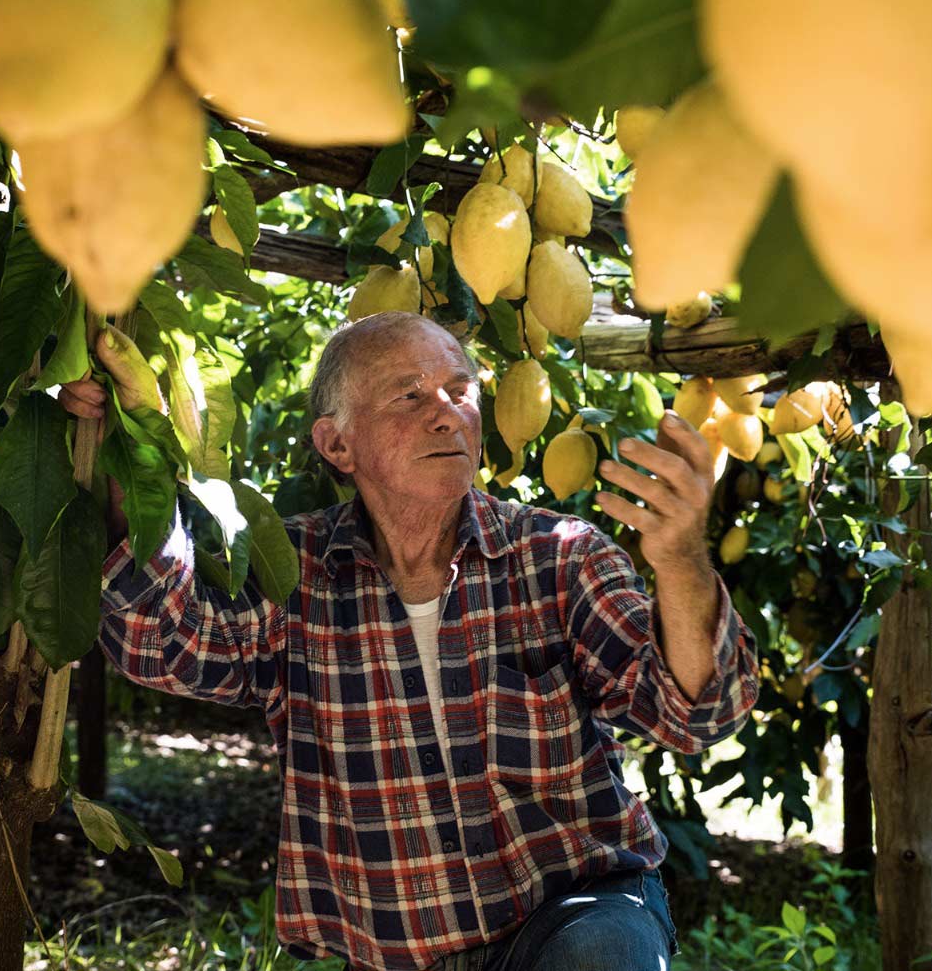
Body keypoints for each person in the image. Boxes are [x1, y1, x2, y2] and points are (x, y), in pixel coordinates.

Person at [58, 311, 759, 971]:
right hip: (400, 950)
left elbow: (695, 716)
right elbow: (164, 641)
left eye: (460, 390)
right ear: (337, 444)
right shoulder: (291, 573)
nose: (447, 411)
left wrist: (682, 563)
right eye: (409, 395)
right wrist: (134, 440)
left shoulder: (560, 557)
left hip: (575, 910)